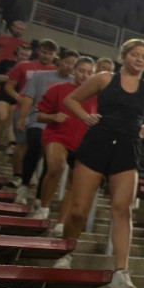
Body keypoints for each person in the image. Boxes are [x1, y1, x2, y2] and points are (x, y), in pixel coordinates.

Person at [53, 39, 144, 288]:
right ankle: (66, 252)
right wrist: (85, 117)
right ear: (124, 56)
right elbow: (72, 100)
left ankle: (121, 271)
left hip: (128, 148)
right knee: (79, 210)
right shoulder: (104, 78)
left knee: (123, 209)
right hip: (97, 142)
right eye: (134, 54)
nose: (139, 59)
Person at [33, 57, 97, 221]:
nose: (85, 75)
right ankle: (43, 208)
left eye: (90, 73)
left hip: (82, 141)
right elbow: (39, 116)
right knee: (55, 167)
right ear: (74, 70)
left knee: (75, 184)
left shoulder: (97, 96)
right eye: (82, 71)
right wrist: (52, 116)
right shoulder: (58, 89)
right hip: (57, 135)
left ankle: (61, 223)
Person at [17, 48, 80, 217]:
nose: (69, 66)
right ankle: (23, 185)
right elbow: (29, 98)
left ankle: (40, 197)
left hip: (60, 128)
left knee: (52, 163)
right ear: (59, 61)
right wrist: (22, 117)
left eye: (72, 64)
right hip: (39, 121)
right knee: (35, 147)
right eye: (66, 62)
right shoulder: (41, 77)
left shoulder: (79, 85)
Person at [4, 38, 58, 187]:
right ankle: (17, 175)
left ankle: (29, 171)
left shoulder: (57, 72)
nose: (46, 56)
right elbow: (9, 86)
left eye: (50, 53)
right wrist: (19, 99)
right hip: (23, 110)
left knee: (38, 145)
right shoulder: (23, 66)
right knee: (22, 144)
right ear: (37, 51)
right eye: (44, 52)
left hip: (43, 114)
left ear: (55, 55)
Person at [0, 40, 30, 152]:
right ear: (17, 53)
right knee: (2, 117)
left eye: (26, 56)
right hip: (3, 94)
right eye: (22, 54)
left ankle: (11, 143)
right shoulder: (6, 62)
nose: (23, 57)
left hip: (19, 97)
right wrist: (0, 77)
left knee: (14, 120)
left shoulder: (29, 69)